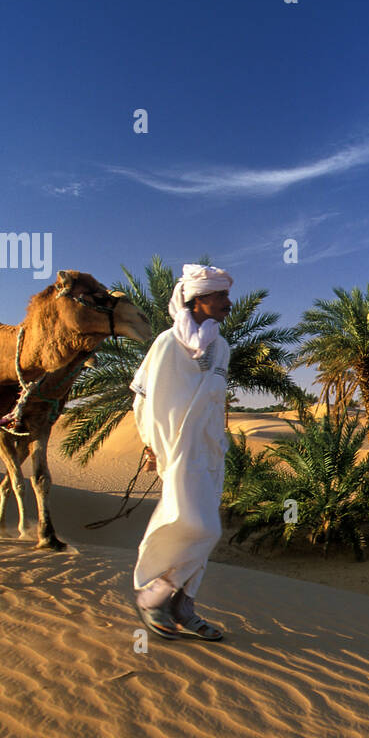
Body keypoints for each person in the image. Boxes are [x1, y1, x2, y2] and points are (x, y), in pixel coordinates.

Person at [129, 264, 234, 641]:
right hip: (174, 449)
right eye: (220, 295)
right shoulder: (165, 343)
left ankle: (184, 607)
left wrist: (218, 443)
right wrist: (150, 444)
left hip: (209, 452)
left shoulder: (222, 347)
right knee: (197, 525)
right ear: (198, 299)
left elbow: (214, 401)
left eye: (225, 294)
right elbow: (144, 399)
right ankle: (154, 595)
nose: (228, 302)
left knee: (200, 531)